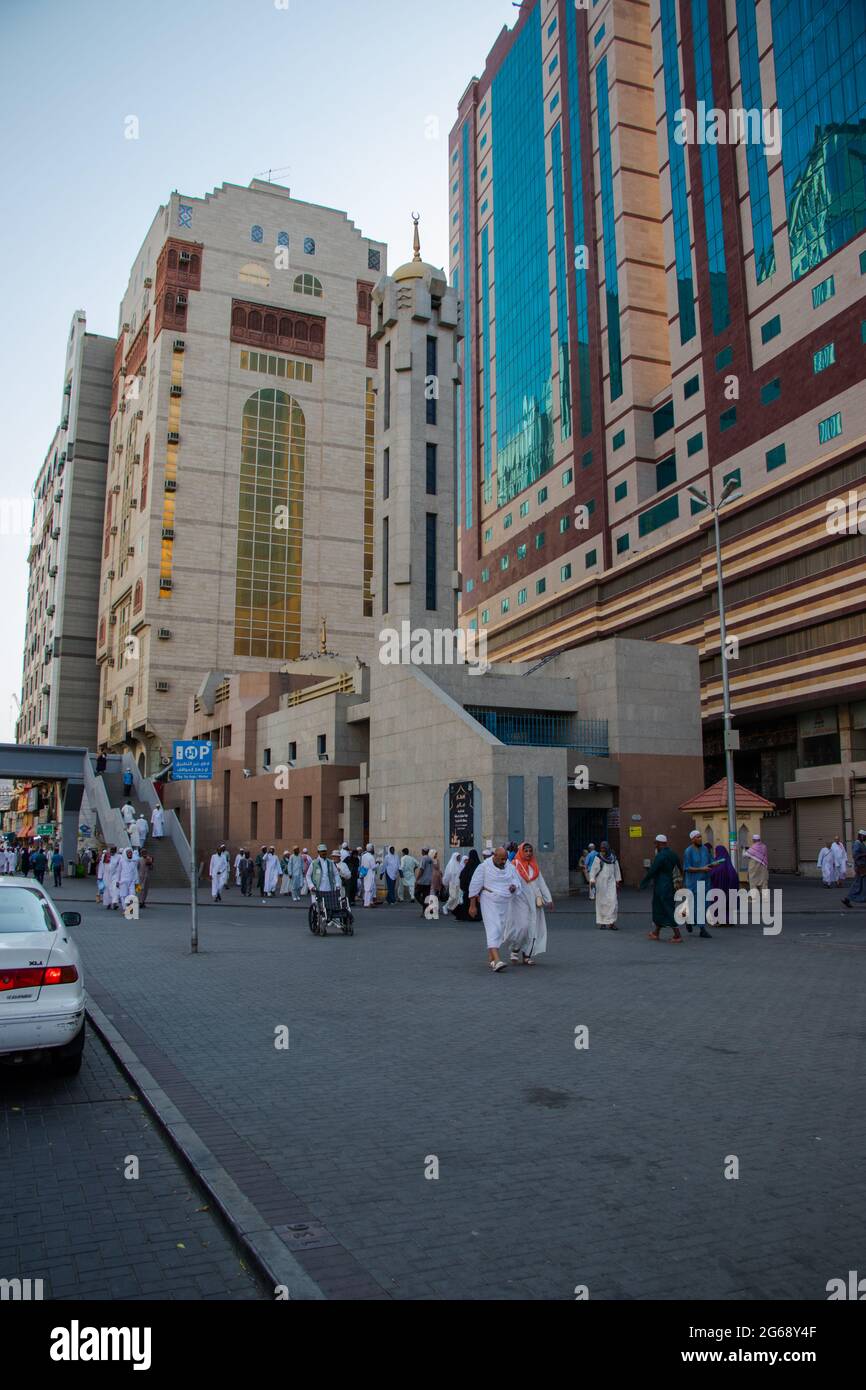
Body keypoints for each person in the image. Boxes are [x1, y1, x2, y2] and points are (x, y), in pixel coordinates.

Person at [468, 846, 522, 972]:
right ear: (495, 856)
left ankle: (491, 958)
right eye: (501, 859)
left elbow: (516, 881)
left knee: (500, 929)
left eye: (505, 859)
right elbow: (475, 885)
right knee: (494, 928)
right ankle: (497, 961)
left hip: (505, 902)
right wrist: (472, 905)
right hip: (489, 900)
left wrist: (514, 887)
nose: (504, 861)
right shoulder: (484, 867)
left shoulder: (509, 867)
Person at [509, 841, 553, 960]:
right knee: (522, 927)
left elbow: (541, 883)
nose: (528, 853)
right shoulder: (514, 865)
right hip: (520, 902)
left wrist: (548, 899)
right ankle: (515, 948)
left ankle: (527, 954)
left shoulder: (534, 866)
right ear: (521, 851)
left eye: (530, 851)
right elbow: (509, 879)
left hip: (534, 902)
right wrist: (511, 888)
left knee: (533, 927)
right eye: (526, 851)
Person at [641, 834, 684, 943]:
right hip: (670, 885)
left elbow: (652, 870)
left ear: (660, 844)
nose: (655, 846)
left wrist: (643, 883)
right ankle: (656, 932)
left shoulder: (660, 856)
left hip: (661, 885)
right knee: (660, 907)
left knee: (667, 908)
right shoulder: (673, 854)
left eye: (656, 843)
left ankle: (677, 935)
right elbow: (680, 868)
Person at [683, 829, 713, 938]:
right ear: (692, 839)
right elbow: (687, 868)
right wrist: (701, 869)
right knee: (696, 905)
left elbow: (710, 861)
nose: (700, 839)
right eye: (698, 837)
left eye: (700, 837)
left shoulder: (705, 849)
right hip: (693, 882)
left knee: (704, 905)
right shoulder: (688, 851)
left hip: (705, 881)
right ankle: (698, 926)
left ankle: (697, 924)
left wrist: (714, 864)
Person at [588, 841, 622, 931]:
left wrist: (618, 880)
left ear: (608, 848)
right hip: (601, 883)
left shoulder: (613, 858)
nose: (602, 850)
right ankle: (602, 923)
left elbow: (617, 870)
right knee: (602, 903)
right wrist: (592, 880)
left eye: (604, 848)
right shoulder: (598, 858)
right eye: (601, 848)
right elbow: (593, 870)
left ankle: (612, 923)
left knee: (613, 902)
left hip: (611, 883)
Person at [841, 830, 866, 909]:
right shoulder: (857, 843)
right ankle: (847, 899)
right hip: (861, 867)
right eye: (865, 837)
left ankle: (847, 899)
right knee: (859, 885)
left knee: (859, 885)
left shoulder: (861, 843)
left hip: (863, 867)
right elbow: (855, 855)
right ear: (861, 836)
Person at [453, 850, 480, 920]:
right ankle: (476, 916)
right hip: (477, 890)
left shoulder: (468, 866)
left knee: (466, 903)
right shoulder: (479, 866)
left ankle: (466, 916)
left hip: (468, 890)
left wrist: (464, 887)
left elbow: (462, 876)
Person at [414, 848, 433, 913]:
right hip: (429, 880)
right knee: (425, 896)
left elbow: (421, 869)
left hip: (422, 880)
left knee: (416, 894)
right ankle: (425, 910)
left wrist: (417, 879)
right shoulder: (430, 859)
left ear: (424, 851)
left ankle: (427, 906)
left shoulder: (423, 858)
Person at [360, 844, 378, 908]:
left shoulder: (364, 856)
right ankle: (367, 903)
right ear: (371, 849)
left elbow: (362, 865)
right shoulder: (371, 857)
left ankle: (369, 902)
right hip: (370, 873)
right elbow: (373, 867)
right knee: (369, 889)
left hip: (365, 873)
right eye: (373, 848)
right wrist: (378, 864)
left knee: (367, 888)